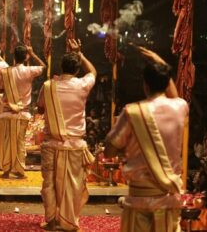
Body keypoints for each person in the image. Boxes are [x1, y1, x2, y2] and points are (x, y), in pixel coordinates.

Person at [104, 46, 189, 232]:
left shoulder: (132, 112)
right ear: (167, 82)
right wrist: (161, 62)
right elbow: (174, 96)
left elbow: (109, 150)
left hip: (139, 199)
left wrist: (125, 149)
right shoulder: (180, 107)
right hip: (167, 199)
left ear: (145, 85)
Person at [37, 39, 97, 231]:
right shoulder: (82, 85)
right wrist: (80, 53)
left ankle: (51, 221)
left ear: (60, 67)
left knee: (49, 184)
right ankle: (69, 221)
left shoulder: (48, 86)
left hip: (51, 144)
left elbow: (39, 109)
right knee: (73, 185)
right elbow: (93, 72)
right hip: (75, 145)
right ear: (77, 70)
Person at [0, 45, 45, 179]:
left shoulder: (5, 72)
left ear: (14, 57)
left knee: (6, 142)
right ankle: (19, 170)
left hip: (7, 113)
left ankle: (6, 170)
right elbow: (44, 66)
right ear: (26, 57)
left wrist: (8, 90)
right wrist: (33, 53)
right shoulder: (29, 71)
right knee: (20, 143)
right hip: (22, 114)